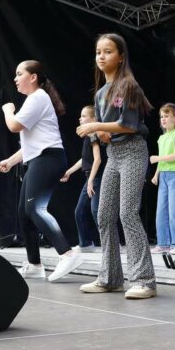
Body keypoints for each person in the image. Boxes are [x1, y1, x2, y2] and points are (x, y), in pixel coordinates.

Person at [76, 33, 157, 299]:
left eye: (108, 51)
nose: (101, 56)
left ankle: (144, 280)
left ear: (120, 56)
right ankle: (110, 278)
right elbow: (108, 129)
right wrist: (100, 133)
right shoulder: (101, 93)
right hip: (114, 154)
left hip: (133, 150)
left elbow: (128, 125)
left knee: (128, 214)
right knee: (103, 215)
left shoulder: (127, 86)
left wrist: (96, 126)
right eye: (98, 52)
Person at [0, 60, 84, 282]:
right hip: (39, 158)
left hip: (48, 159)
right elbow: (31, 143)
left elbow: (14, 125)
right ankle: (34, 263)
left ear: (33, 77)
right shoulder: (34, 100)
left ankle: (68, 253)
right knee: (24, 212)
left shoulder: (37, 97)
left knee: (35, 207)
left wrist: (8, 111)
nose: (15, 78)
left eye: (19, 74)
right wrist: (11, 160)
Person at [61, 105, 105, 252]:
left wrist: (91, 180)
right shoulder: (88, 137)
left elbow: (97, 159)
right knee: (79, 211)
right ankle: (85, 244)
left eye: (84, 116)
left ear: (93, 120)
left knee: (96, 211)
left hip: (97, 178)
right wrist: (69, 171)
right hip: (90, 178)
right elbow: (85, 160)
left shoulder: (93, 135)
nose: (80, 118)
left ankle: (110, 243)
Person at [150, 103, 175, 254]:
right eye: (161, 117)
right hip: (164, 176)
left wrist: (157, 158)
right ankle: (163, 243)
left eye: (167, 116)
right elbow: (162, 161)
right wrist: (156, 174)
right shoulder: (162, 137)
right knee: (161, 212)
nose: (163, 119)